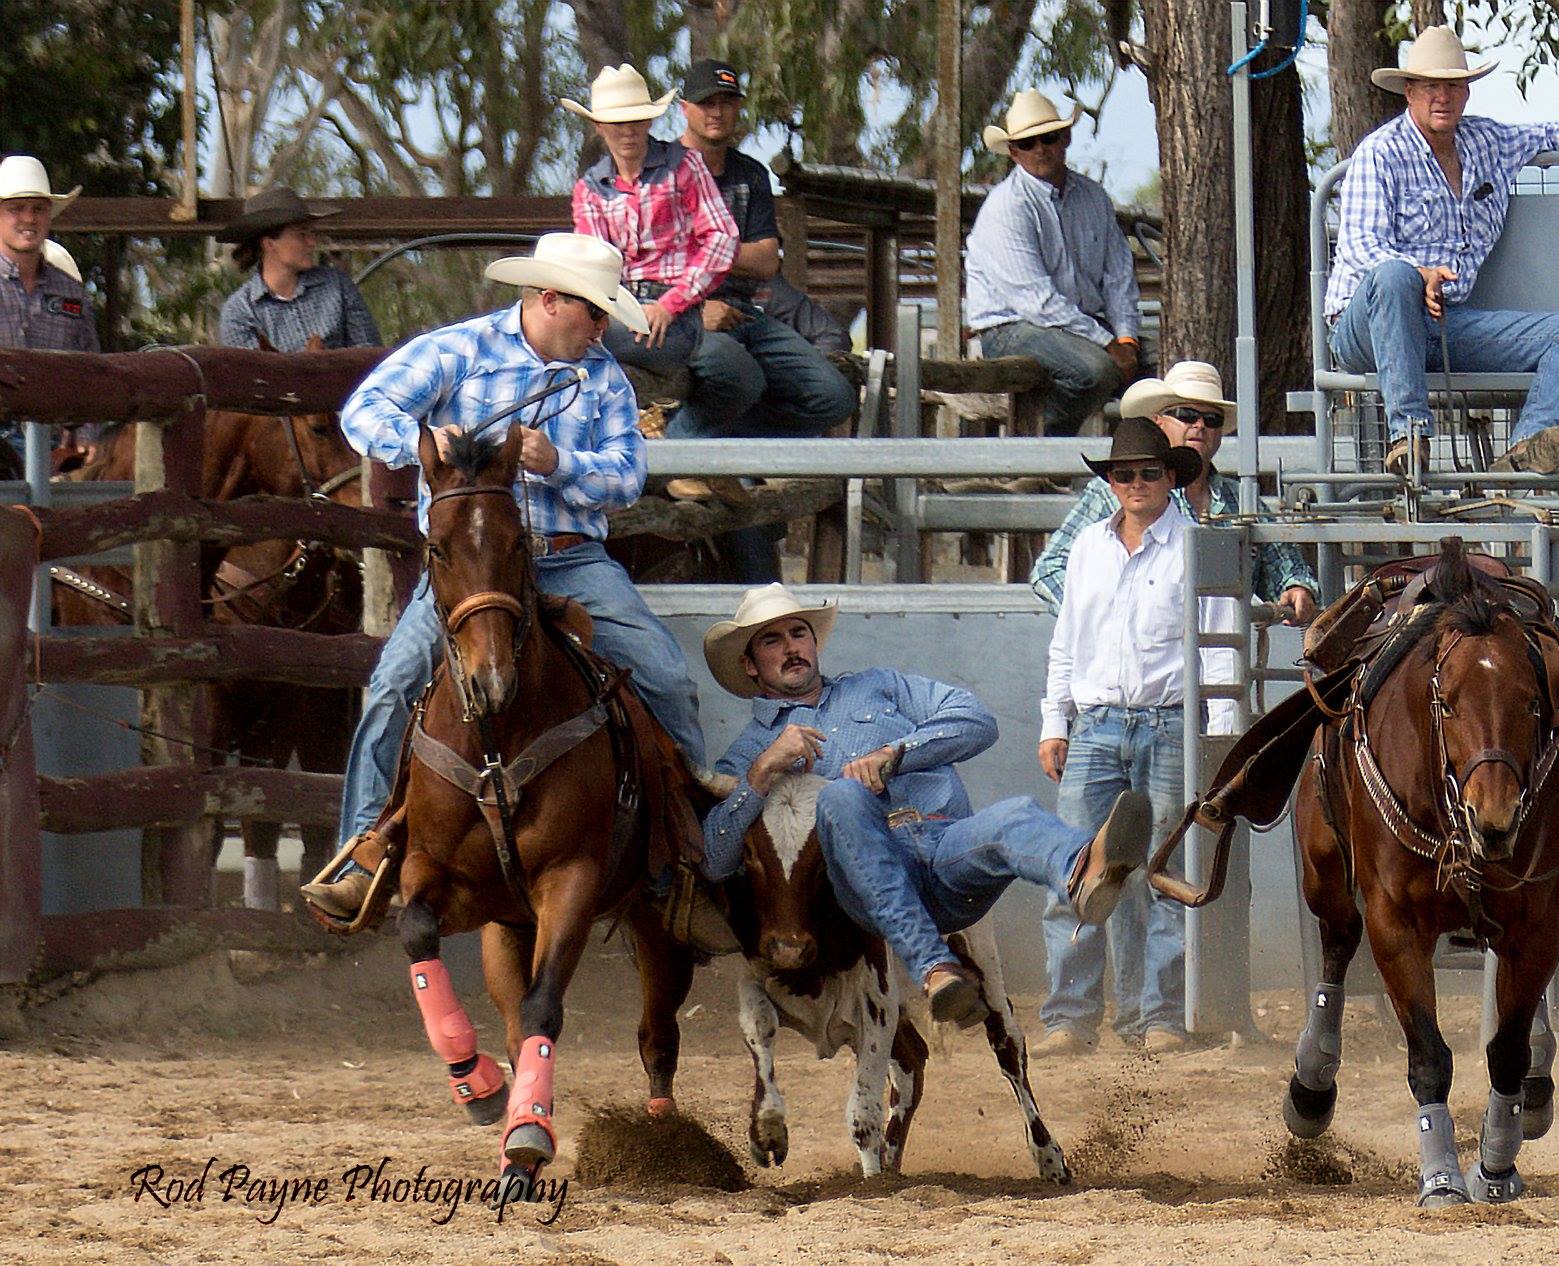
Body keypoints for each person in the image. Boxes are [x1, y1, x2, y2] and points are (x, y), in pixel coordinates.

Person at [299, 232, 708, 924]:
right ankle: (363, 850)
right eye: (596, 313)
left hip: (571, 557)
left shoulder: (605, 377)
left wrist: (559, 463)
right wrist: (429, 447)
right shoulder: (455, 351)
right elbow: (364, 412)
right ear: (549, 300)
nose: (603, 329)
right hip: (471, 569)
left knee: (667, 676)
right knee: (395, 681)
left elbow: (627, 478)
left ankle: (691, 851)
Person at [695, 583, 1155, 1027]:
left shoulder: (878, 686)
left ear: (815, 643)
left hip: (944, 845)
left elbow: (977, 721)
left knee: (1013, 813)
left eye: (799, 633)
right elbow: (715, 862)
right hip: (861, 877)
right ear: (751, 665)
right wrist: (760, 772)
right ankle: (935, 969)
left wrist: (895, 755)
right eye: (772, 641)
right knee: (841, 795)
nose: (791, 648)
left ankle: (1084, 871)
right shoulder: (751, 748)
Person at [1324, 25, 1559, 481]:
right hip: (1368, 326)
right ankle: (1409, 435)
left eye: (1452, 86)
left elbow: (1549, 132)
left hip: (1445, 325)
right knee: (1394, 277)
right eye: (1431, 86)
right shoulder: (1381, 153)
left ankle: (1528, 448)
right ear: (1409, 92)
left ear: (1466, 93)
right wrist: (1420, 273)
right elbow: (1361, 248)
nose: (1442, 97)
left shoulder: (1486, 141)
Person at [1033, 418, 1246, 1056]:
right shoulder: (1089, 550)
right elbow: (1067, 639)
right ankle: (1071, 1016)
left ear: (1170, 479)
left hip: (1170, 719)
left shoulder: (1196, 543)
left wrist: (1222, 735)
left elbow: (1219, 646)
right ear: (1112, 481)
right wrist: (1055, 719)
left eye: (1149, 473)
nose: (1136, 484)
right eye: (1124, 473)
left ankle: (1157, 1017)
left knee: (1168, 873)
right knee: (1075, 869)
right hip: (1097, 723)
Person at [674, 57, 859, 579]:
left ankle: (708, 441)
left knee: (833, 393)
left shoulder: (750, 173)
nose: (717, 112)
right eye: (706, 102)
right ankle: (691, 446)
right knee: (741, 376)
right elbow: (656, 257)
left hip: (746, 310)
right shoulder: (664, 171)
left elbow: (767, 262)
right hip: (684, 312)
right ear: (684, 108)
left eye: (727, 102)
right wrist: (698, 294)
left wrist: (706, 249)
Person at [1030, 361, 1319, 624]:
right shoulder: (1113, 491)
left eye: (1212, 418)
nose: (1199, 425)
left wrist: (1296, 588)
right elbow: (1050, 570)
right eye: (1186, 414)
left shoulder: (1242, 498)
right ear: (1159, 421)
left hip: (1218, 658)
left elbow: (1285, 567)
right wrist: (1104, 621)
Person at [964, 90, 1152, 436]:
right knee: (1094, 370)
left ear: (1065, 137)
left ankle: (1145, 466)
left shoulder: (1094, 196)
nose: (1040, 149)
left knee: (1172, 366)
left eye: (1048, 138)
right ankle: (1038, 449)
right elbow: (1036, 302)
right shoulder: (1006, 208)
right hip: (1010, 328)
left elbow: (1118, 276)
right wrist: (1110, 343)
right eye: (1027, 143)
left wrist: (1127, 339)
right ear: (1013, 152)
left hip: (1078, 324)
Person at [0, 155, 100, 474]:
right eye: (17, 208)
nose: (29, 218)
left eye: (39, 209)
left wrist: (86, 433)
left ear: (49, 216)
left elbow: (92, 369)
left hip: (58, 452)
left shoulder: (72, 291)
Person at [216, 187, 380, 351]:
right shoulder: (239, 312)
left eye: (311, 233)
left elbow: (370, 355)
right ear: (269, 244)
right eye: (301, 234)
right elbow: (249, 373)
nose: (312, 242)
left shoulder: (338, 285)